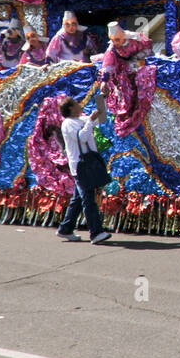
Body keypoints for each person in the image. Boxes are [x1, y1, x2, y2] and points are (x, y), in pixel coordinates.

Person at [56, 92, 112, 244]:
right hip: (80, 165)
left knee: (78, 199)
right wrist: (90, 121)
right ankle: (96, 232)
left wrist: (103, 99)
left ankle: (65, 229)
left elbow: (101, 118)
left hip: (86, 163)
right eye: (75, 103)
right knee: (88, 199)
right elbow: (81, 138)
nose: (79, 104)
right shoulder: (67, 124)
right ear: (70, 109)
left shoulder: (80, 119)